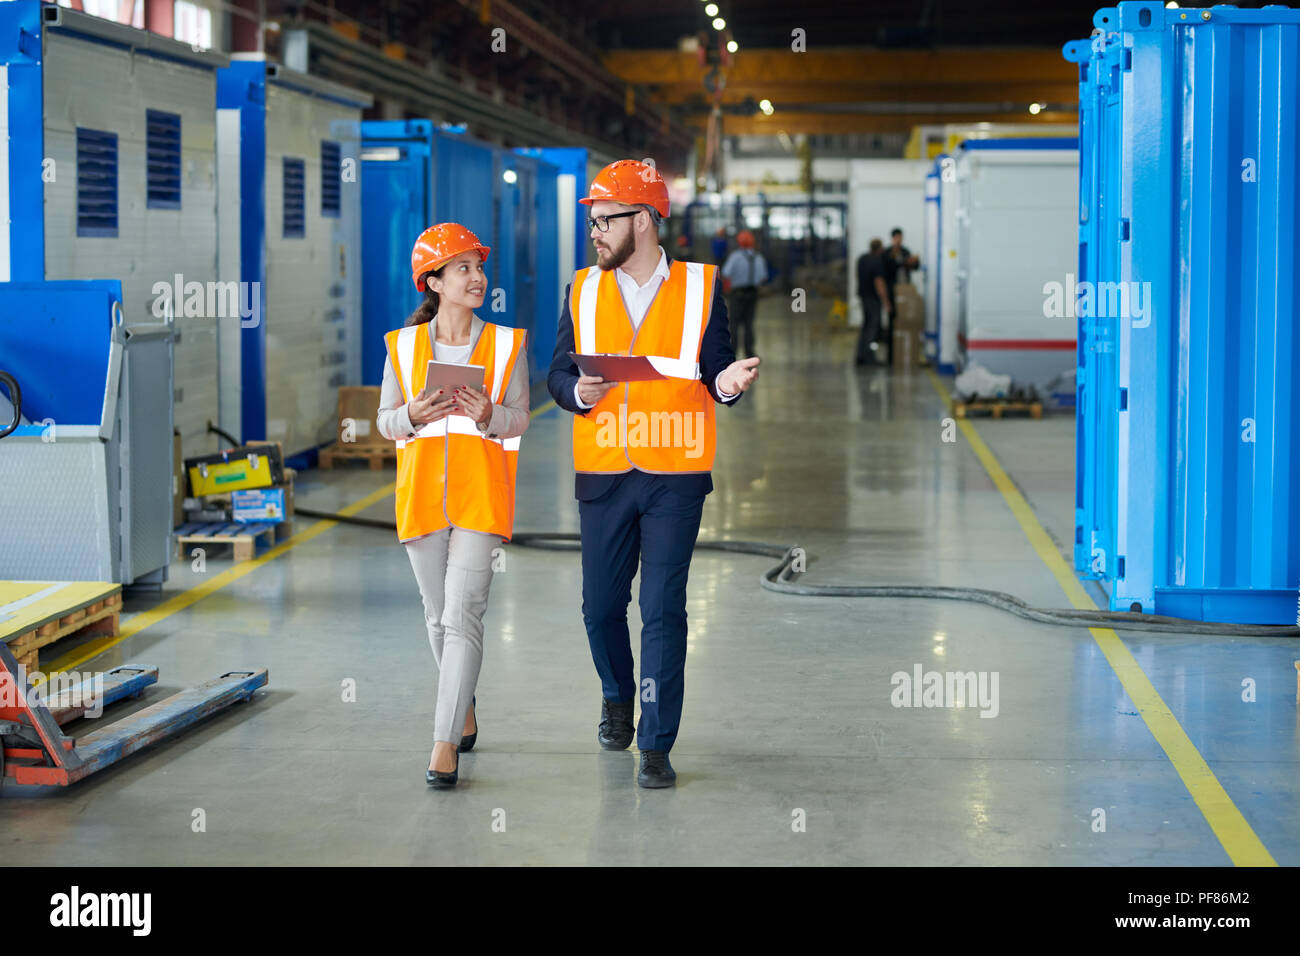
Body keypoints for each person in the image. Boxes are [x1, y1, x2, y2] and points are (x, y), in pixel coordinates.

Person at [547, 160, 760, 789]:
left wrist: (727, 383)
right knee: (600, 607)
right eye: (591, 223)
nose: (594, 233)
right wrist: (576, 393)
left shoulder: (701, 287)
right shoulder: (582, 290)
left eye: (603, 221)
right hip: (605, 471)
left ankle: (656, 741)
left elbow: (716, 369)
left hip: (674, 474)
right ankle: (618, 694)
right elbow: (557, 373)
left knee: (663, 607)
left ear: (642, 220)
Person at [375, 223, 530, 789]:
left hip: (480, 497)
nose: (477, 277)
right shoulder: (403, 346)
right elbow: (385, 422)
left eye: (479, 267)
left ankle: (443, 744)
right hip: (422, 498)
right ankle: (462, 706)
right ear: (434, 282)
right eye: (463, 268)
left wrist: (490, 415)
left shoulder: (507, 344)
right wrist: (411, 415)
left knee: (464, 616)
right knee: (437, 616)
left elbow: (520, 419)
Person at [720, 230, 766, 358]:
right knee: (748, 323)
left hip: (737, 294)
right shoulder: (758, 257)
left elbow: (726, 273)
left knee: (734, 323)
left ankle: (732, 351)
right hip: (753, 293)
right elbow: (762, 277)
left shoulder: (735, 257)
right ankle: (749, 352)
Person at [855, 238, 889, 367]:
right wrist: (886, 302)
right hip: (874, 299)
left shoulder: (862, 259)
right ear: (879, 249)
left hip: (863, 296)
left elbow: (857, 275)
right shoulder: (877, 262)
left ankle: (860, 355)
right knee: (873, 329)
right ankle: (870, 357)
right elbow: (879, 283)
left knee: (865, 327)